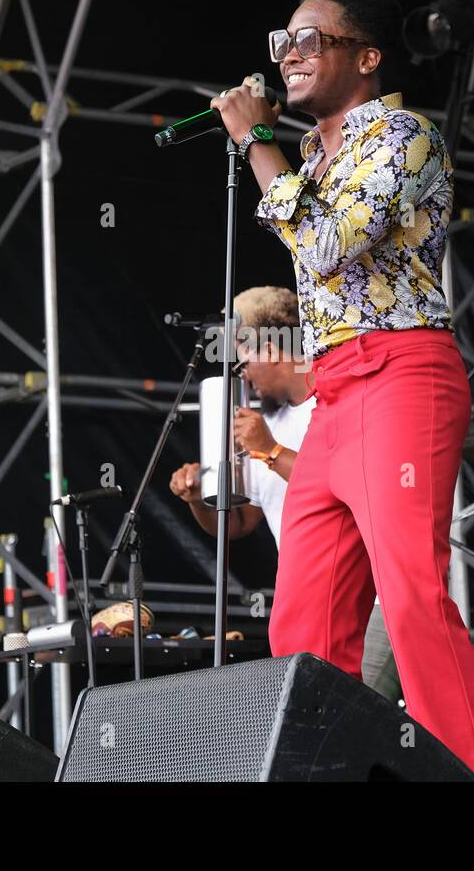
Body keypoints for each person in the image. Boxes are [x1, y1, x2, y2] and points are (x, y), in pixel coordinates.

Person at [209, 0, 474, 781]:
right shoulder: (310, 152)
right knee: (302, 629)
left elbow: (324, 245)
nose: (291, 54)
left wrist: (254, 142)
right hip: (333, 394)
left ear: (368, 56)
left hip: (402, 375)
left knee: (412, 602)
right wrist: (272, 145)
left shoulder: (405, 136)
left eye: (312, 39)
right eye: (284, 42)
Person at [169, 286, 401, 701]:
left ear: (274, 348)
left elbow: (349, 488)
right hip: (315, 604)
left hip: (374, 606)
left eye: (243, 362)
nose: (244, 377)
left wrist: (270, 451)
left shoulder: (334, 404)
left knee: (349, 722)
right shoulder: (266, 423)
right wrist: (196, 499)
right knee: (315, 722)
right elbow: (237, 524)